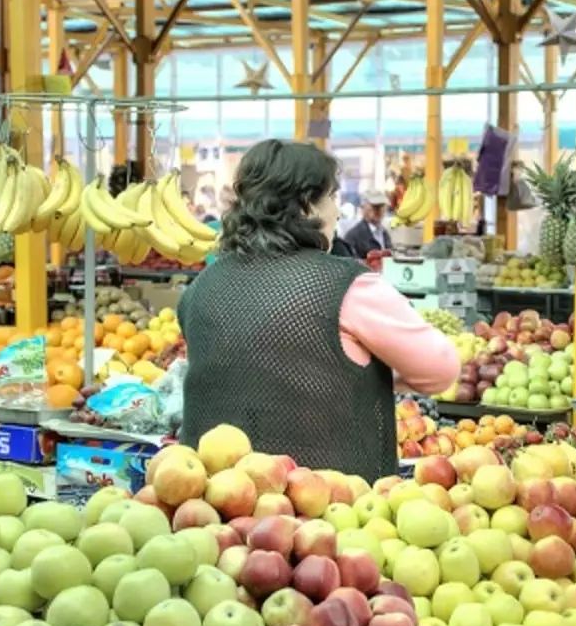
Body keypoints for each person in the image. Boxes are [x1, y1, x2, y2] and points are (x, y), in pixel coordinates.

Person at [177, 140, 457, 480]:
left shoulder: (200, 288)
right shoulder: (350, 288)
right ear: (307, 206)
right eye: (332, 197)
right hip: (329, 509)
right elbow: (441, 369)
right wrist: (365, 369)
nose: (338, 212)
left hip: (212, 504)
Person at [342, 189, 391, 257]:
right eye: (374, 206)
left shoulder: (384, 233)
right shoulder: (353, 236)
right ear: (362, 208)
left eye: (381, 206)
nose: (378, 210)